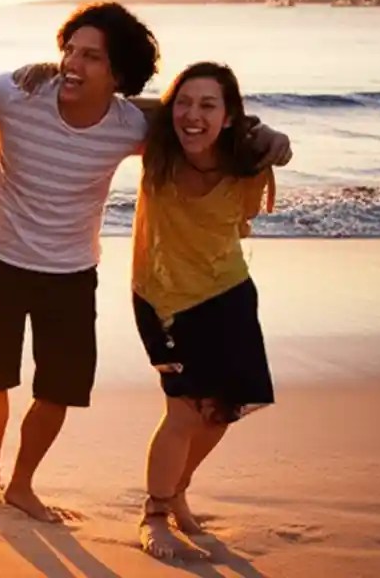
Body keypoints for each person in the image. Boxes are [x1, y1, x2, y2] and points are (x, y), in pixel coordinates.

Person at [0, 2, 292, 523]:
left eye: (91, 56)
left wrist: (262, 134)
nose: (72, 62)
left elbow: (187, 119)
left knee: (58, 390)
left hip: (70, 274)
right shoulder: (13, 93)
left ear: (118, 76)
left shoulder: (127, 124)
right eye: (68, 50)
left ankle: (21, 484)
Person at [131, 62, 277, 560]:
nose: (193, 116)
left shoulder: (248, 160)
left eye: (208, 105)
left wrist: (267, 138)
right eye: (184, 103)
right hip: (164, 299)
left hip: (230, 293)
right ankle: (154, 514)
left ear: (231, 116)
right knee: (184, 410)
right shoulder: (157, 150)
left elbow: (248, 214)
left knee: (220, 412)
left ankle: (176, 493)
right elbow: (113, 108)